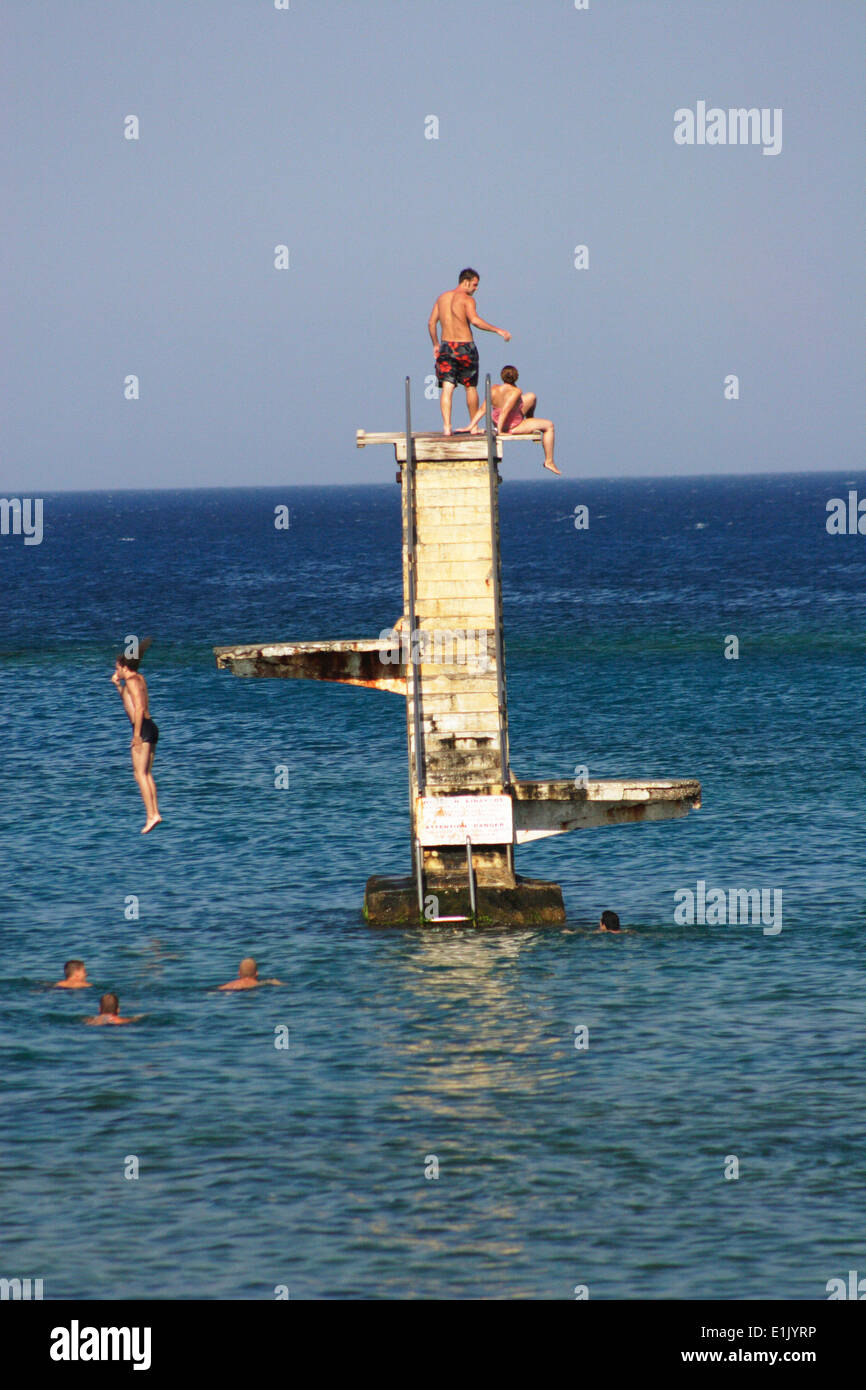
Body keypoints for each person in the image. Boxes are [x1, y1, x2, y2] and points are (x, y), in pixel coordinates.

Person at [428, 269, 511, 435]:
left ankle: (447, 427)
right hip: (465, 346)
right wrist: (498, 330)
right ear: (466, 282)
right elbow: (475, 321)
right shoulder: (467, 299)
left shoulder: (442, 298)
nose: (476, 288)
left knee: (447, 387)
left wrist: (436, 344)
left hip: (446, 346)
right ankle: (474, 426)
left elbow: (431, 323)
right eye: (475, 284)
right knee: (470, 387)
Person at [461, 365, 561, 474]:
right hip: (512, 426)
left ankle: (530, 421)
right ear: (516, 377)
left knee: (531, 397)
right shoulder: (516, 392)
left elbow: (482, 409)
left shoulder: (494, 388)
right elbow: (505, 411)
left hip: (499, 420)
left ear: (502, 376)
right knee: (549, 426)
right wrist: (500, 431)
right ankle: (549, 461)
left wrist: (471, 425)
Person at [111, 648, 161, 834]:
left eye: (117, 668)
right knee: (146, 774)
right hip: (150, 727)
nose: (116, 672)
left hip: (142, 729)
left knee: (139, 775)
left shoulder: (131, 681)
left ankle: (151, 815)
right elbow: (129, 703)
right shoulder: (138, 679)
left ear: (124, 667)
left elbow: (138, 708)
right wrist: (117, 685)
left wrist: (137, 735)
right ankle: (155, 813)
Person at [218, 958, 282, 991]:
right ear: (257, 973)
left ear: (239, 973)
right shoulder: (263, 983)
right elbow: (281, 985)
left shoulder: (227, 986)